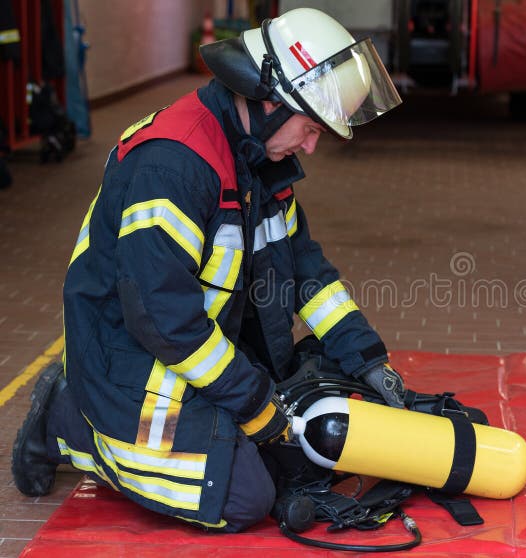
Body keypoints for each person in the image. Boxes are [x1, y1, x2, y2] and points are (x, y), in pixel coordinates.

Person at [12, 8, 405, 533]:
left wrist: (366, 357)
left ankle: (219, 420)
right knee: (240, 495)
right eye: (310, 127)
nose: (312, 146)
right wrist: (254, 402)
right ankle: (68, 417)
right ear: (270, 101)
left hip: (192, 351)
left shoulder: (259, 161)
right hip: (127, 359)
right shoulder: (174, 165)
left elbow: (303, 273)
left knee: (305, 455)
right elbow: (163, 319)